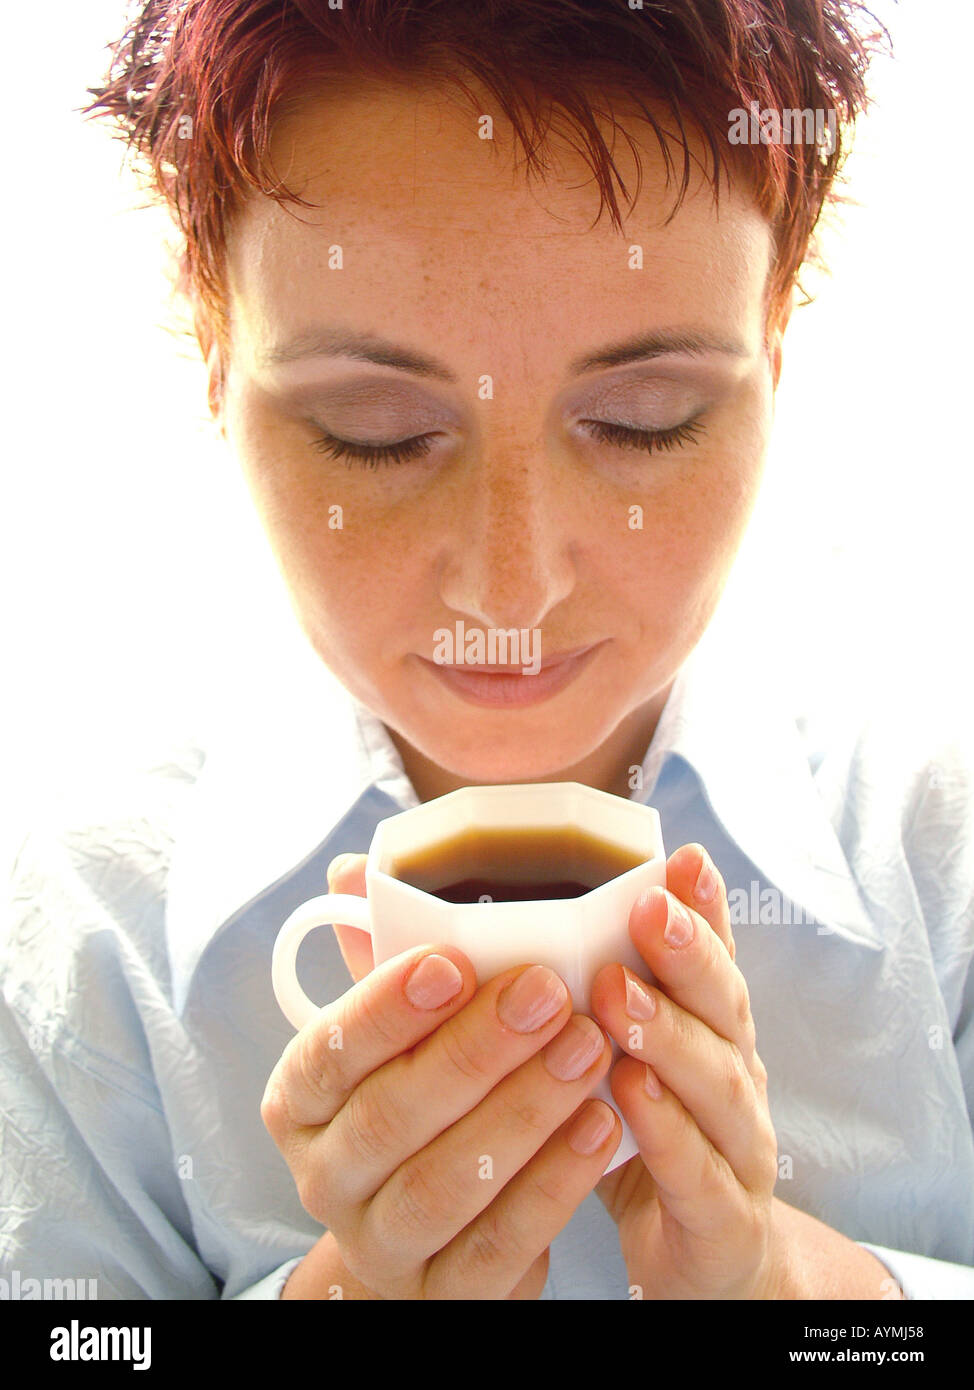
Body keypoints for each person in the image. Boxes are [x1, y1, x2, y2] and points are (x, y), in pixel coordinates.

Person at [2, 0, 972, 1301]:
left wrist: (794, 1294)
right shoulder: (81, 933)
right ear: (217, 354)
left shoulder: (938, 857)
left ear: (776, 348)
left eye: (642, 419)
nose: (510, 583)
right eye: (374, 433)